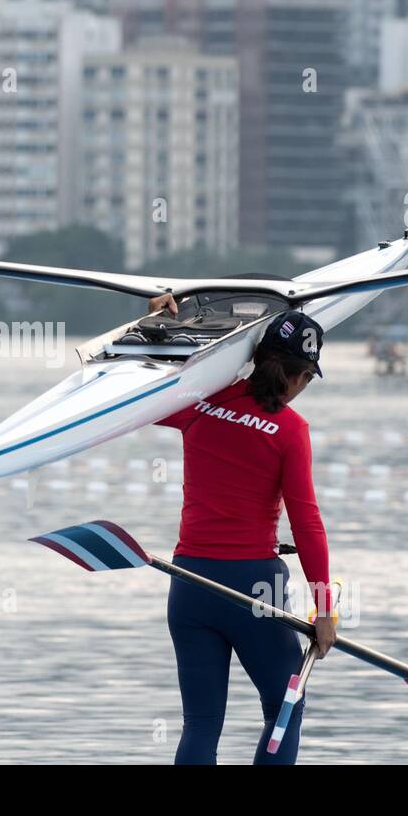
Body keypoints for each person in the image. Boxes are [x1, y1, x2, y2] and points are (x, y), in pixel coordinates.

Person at [148, 296, 337, 765]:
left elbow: (144, 396)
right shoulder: (290, 430)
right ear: (297, 375)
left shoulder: (198, 404)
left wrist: (160, 324)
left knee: (202, 723)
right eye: (307, 379)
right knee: (284, 708)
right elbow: (307, 524)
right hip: (255, 588)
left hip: (189, 582)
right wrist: (326, 608)